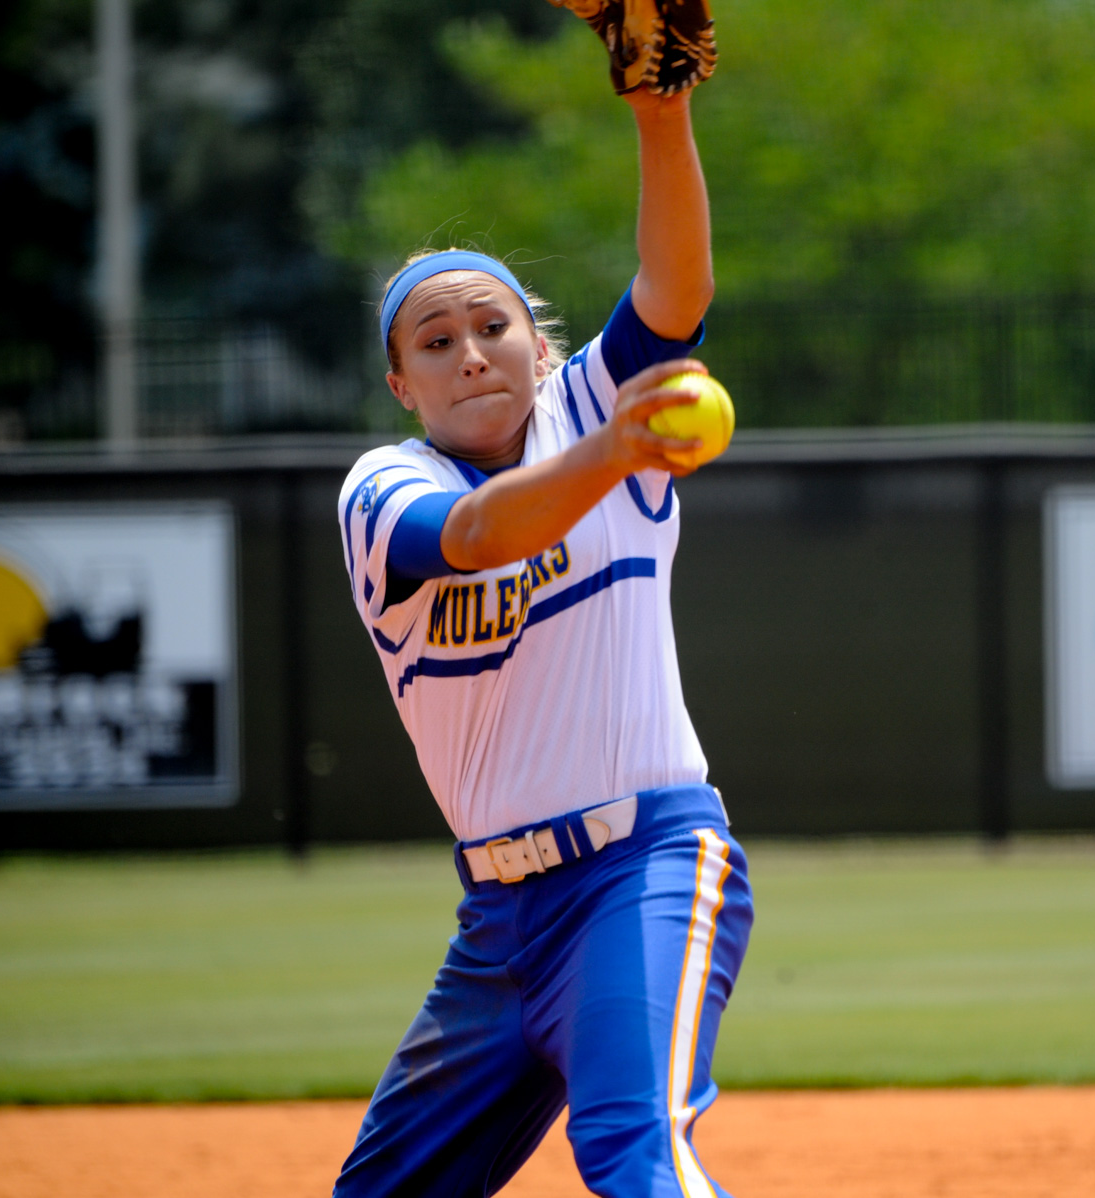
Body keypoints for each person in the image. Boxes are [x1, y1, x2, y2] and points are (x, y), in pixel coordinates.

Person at [330, 61, 750, 1198]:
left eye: (492, 325)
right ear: (401, 384)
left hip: (644, 865)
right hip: (498, 923)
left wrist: (662, 116)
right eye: (435, 342)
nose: (470, 351)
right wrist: (615, 452)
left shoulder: (585, 401)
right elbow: (471, 535)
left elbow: (676, 287)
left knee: (634, 1149)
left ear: (539, 343)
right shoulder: (383, 487)